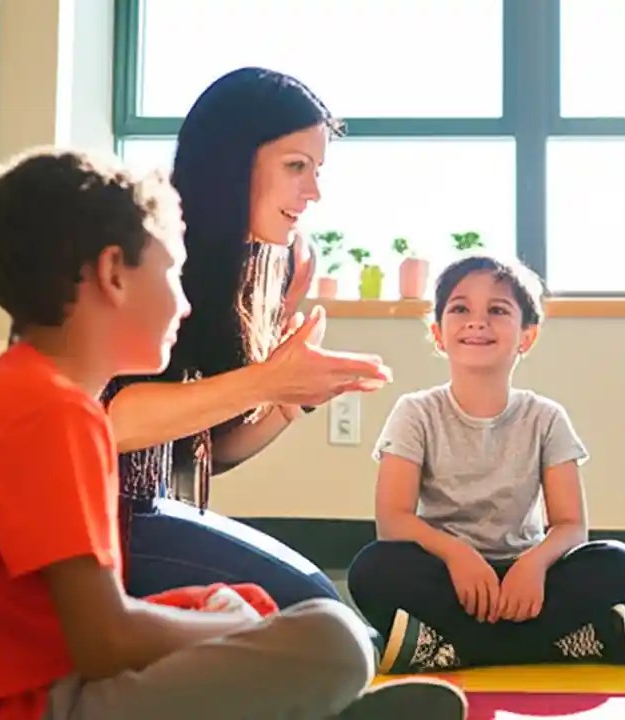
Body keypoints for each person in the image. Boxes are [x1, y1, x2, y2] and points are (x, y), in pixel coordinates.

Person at [0, 148, 464, 720]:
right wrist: (228, 630)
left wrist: (223, 615)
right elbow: (103, 640)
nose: (183, 303)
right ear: (112, 275)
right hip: (37, 705)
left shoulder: (22, 394)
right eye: (173, 272)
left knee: (247, 604)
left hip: (54, 682)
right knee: (334, 639)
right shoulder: (51, 410)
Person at [102, 67, 392, 607]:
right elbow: (108, 424)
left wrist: (287, 400)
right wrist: (266, 381)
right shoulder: (143, 251)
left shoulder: (268, 266)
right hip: (90, 525)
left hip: (153, 514)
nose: (314, 191)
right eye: (296, 167)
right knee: (314, 609)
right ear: (233, 164)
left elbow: (213, 451)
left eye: (317, 169)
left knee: (322, 612)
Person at [347, 255, 625, 672]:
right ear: (438, 333)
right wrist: (457, 555)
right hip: (447, 575)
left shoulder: (546, 417)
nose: (477, 321)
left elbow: (571, 525)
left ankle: (453, 648)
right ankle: (559, 644)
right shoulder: (415, 412)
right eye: (460, 308)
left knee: (617, 563)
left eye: (498, 310)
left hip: (525, 579)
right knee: (373, 569)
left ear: (527, 336)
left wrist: (534, 564)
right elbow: (393, 520)